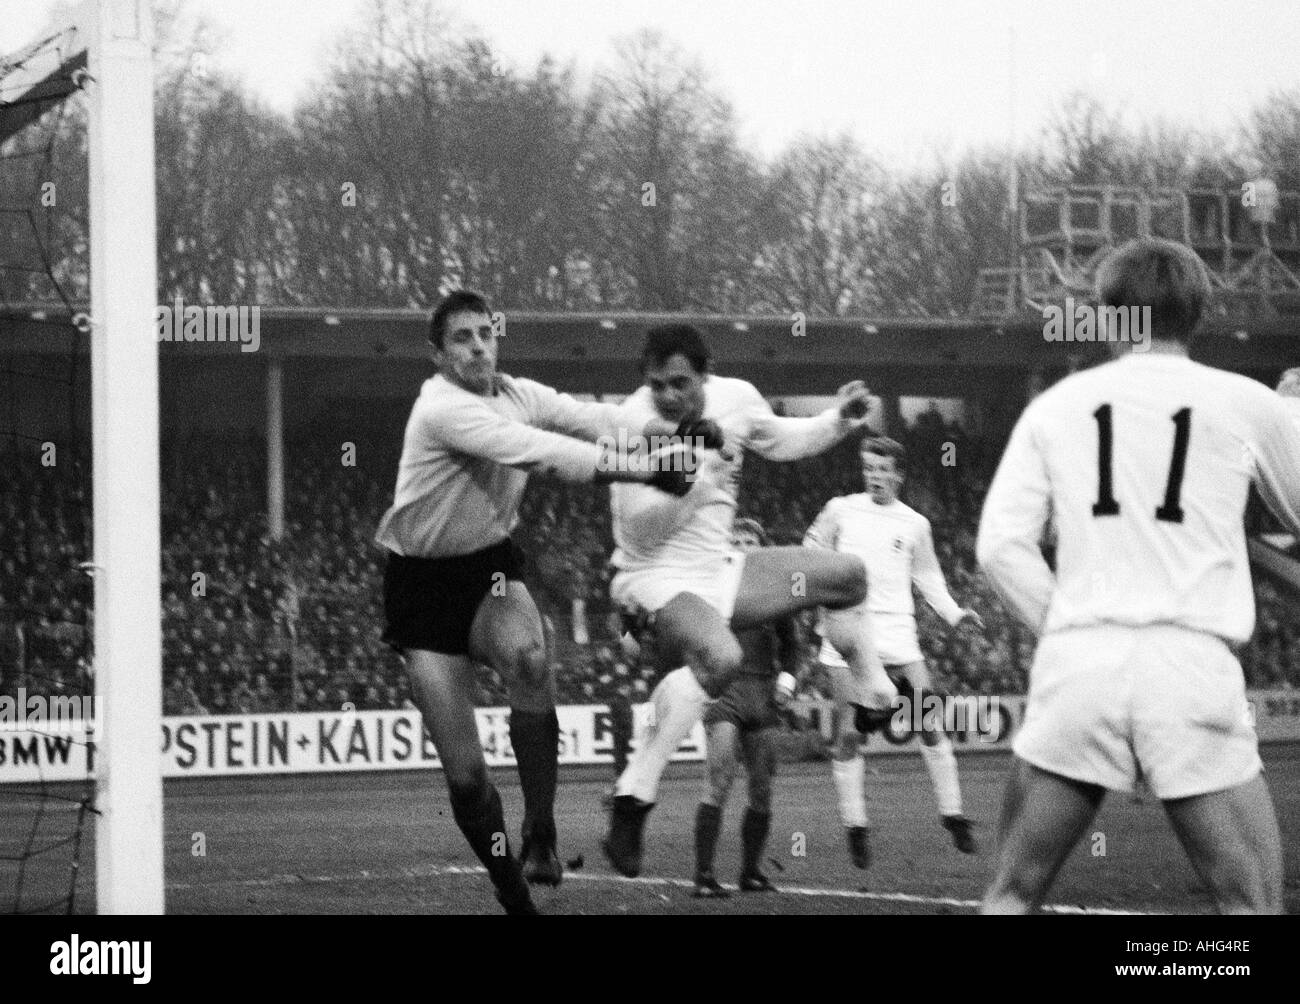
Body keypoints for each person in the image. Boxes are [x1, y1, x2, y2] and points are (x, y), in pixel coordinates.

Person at [976, 238, 1300, 914]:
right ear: (1199, 314)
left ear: (1104, 315)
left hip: (1080, 659)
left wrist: (1068, 626)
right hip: (1189, 664)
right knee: (1250, 905)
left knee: (1013, 891)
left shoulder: (1056, 406)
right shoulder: (1244, 403)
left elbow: (1000, 547)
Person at [375, 289, 696, 915]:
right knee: (467, 781)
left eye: (485, 334)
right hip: (420, 590)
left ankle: (541, 832)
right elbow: (544, 453)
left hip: (487, 567)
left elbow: (591, 419)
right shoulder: (441, 409)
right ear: (437, 353)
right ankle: (509, 888)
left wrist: (671, 429)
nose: (477, 346)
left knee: (529, 658)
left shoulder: (519, 393)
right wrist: (649, 467)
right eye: (462, 338)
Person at [601, 323, 898, 878]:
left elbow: (784, 439)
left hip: (722, 571)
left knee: (850, 576)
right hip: (654, 576)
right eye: (657, 384)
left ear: (705, 377)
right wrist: (697, 473)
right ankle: (633, 797)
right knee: (723, 657)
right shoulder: (627, 424)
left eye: (680, 384)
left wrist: (839, 419)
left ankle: (875, 693)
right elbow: (640, 530)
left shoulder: (735, 399)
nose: (667, 395)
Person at [806, 436, 985, 869]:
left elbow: (929, 579)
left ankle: (954, 815)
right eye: (869, 469)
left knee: (929, 722)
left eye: (883, 470)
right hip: (849, 632)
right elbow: (810, 549)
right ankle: (856, 828)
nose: (875, 477)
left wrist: (955, 614)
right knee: (849, 734)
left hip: (899, 635)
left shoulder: (914, 524)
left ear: (898, 475)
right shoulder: (840, 509)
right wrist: (820, 590)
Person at [692, 518, 798, 898]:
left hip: (764, 694)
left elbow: (792, 645)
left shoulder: (776, 594)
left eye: (749, 539)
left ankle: (750, 873)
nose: (741, 544)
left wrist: (787, 681)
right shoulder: (712, 587)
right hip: (727, 693)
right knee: (718, 778)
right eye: (734, 539)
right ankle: (703, 875)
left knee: (763, 787)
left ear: (761, 546)